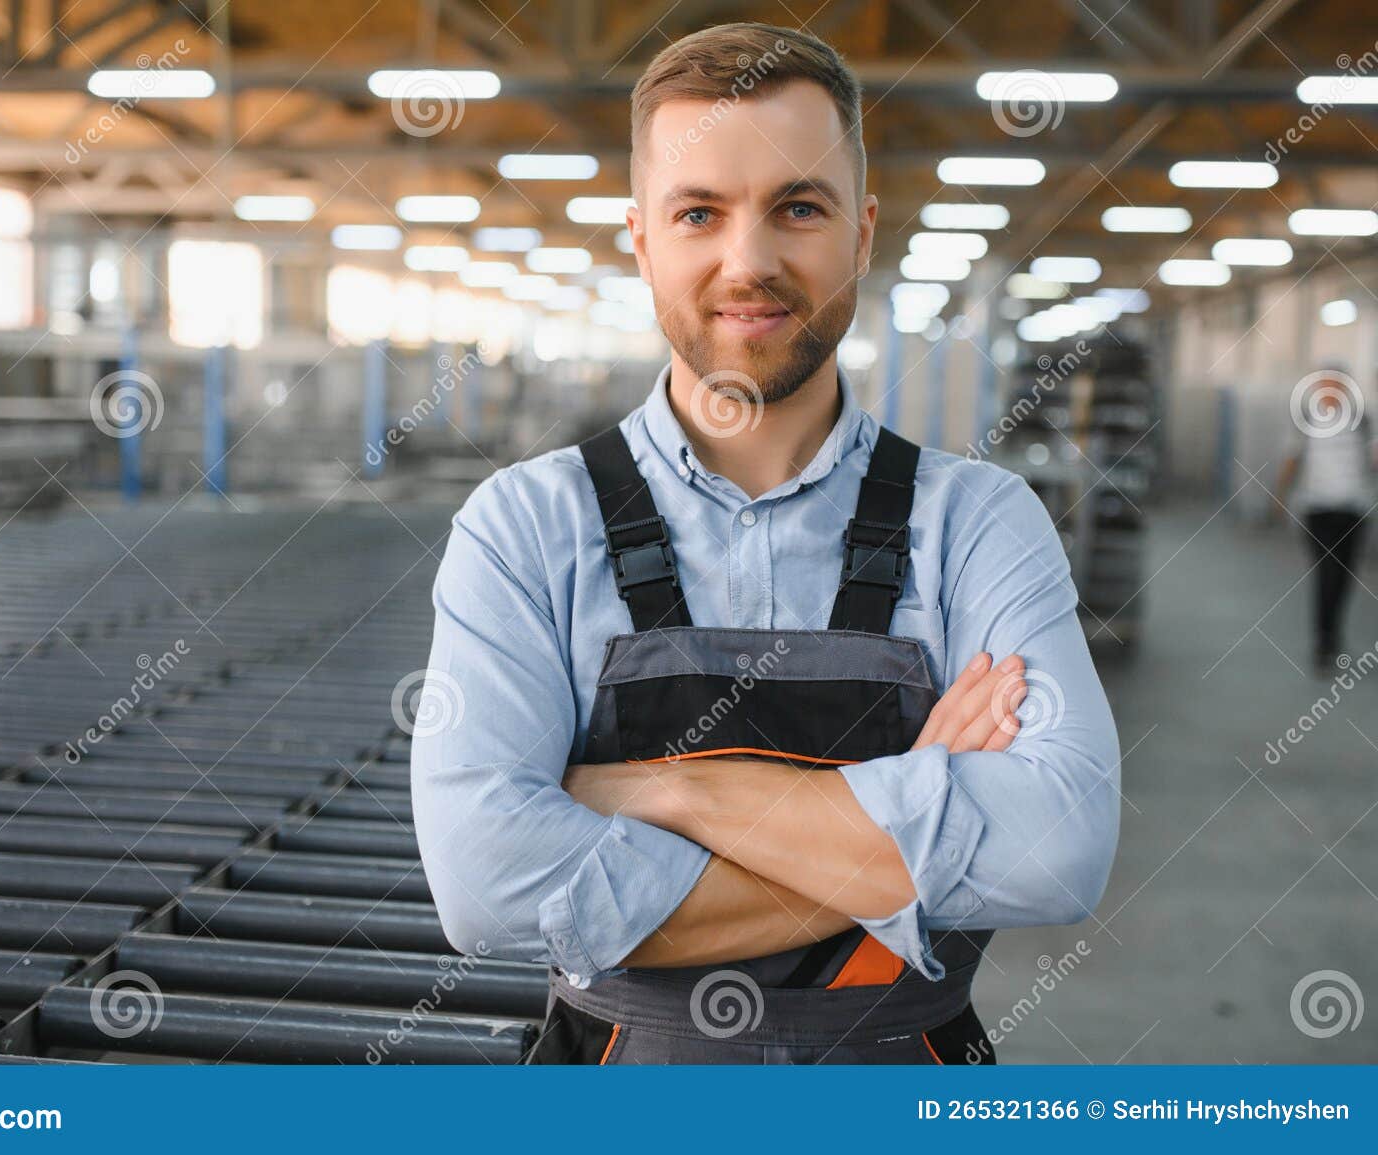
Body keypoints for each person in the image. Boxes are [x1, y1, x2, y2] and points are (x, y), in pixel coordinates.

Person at [410, 22, 1121, 1065]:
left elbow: (1058, 850)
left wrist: (671, 789)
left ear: (861, 234)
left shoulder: (978, 523)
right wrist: (899, 830)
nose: (748, 263)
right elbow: (485, 887)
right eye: (699, 212)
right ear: (642, 240)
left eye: (798, 207)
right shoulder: (525, 528)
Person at [1274, 368, 1375, 673]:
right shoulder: (1306, 420)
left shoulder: (1362, 421)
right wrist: (1279, 496)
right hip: (1318, 508)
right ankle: (1324, 642)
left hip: (1353, 508)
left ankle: (1332, 634)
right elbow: (1292, 459)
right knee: (1326, 572)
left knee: (1344, 574)